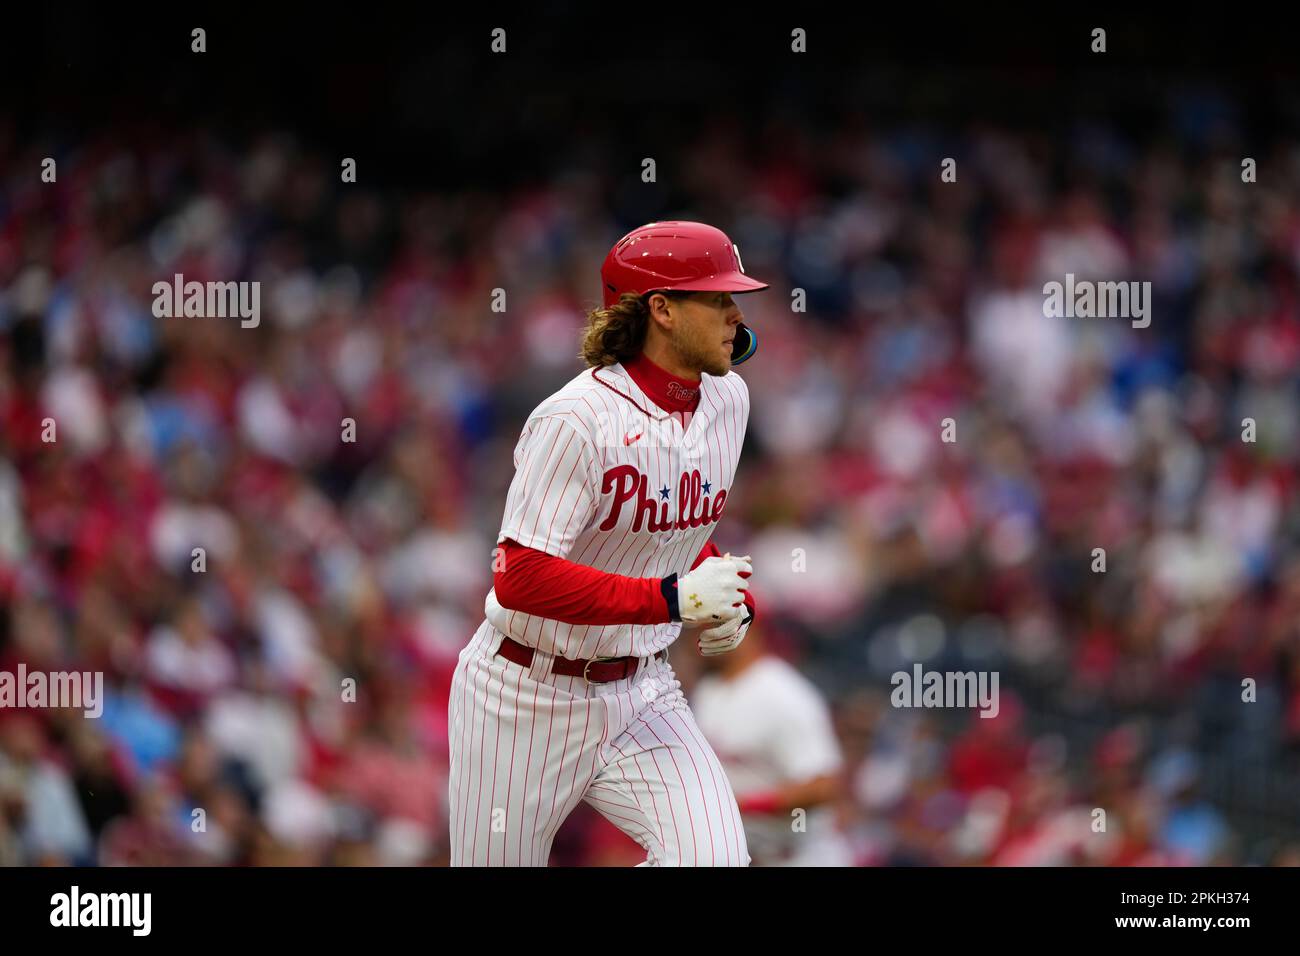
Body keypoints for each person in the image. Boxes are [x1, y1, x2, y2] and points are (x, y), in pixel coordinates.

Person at [447, 221, 767, 866]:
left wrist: (722, 595)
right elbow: (521, 575)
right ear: (663, 309)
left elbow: (668, 534)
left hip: (643, 691)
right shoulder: (576, 420)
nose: (737, 312)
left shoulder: (729, 400)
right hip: (522, 694)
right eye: (718, 298)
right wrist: (673, 597)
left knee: (714, 860)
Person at [691, 624, 853, 866]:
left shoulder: (784, 694)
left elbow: (823, 786)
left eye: (712, 627)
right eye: (697, 630)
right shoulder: (707, 691)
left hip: (799, 856)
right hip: (744, 855)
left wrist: (744, 805)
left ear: (745, 629)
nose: (700, 638)